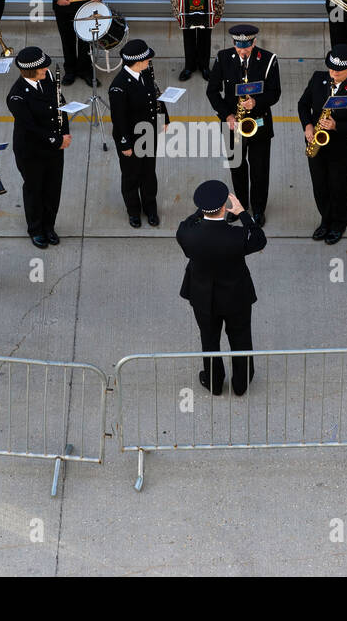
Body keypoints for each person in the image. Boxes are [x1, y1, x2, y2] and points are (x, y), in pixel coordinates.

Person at [176, 180, 267, 397]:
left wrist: (202, 211)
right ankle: (241, 383)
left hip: (203, 296)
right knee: (241, 338)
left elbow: (188, 222)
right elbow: (259, 240)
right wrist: (243, 214)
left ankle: (214, 382)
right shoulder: (236, 236)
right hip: (236, 297)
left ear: (201, 208)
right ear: (225, 207)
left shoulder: (187, 234)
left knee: (209, 339)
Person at [297, 43, 347, 244]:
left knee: (340, 187)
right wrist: (308, 127)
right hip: (317, 142)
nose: (333, 73)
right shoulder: (318, 78)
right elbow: (303, 104)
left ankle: (339, 224)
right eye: (331, 68)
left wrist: (336, 125)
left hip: (343, 148)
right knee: (320, 186)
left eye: (338, 71)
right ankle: (325, 220)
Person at [205, 23, 279, 226]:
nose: (243, 51)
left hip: (259, 124)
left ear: (254, 42)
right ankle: (241, 207)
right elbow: (212, 91)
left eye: (246, 47)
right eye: (239, 47)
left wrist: (256, 102)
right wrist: (227, 116)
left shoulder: (268, 59)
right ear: (233, 43)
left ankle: (259, 209)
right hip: (233, 125)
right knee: (237, 168)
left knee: (260, 170)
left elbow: (275, 93)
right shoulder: (222, 58)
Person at [6, 46, 70, 249]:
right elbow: (30, 128)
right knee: (35, 190)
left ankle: (49, 226)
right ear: (32, 71)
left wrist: (64, 133)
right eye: (43, 68)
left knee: (53, 189)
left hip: (53, 147)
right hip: (31, 151)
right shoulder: (16, 96)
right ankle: (35, 229)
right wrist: (56, 140)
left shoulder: (48, 77)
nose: (46, 69)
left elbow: (60, 104)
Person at [109, 39, 169, 227]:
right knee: (131, 176)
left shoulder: (145, 73)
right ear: (137, 62)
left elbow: (155, 96)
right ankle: (134, 211)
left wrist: (164, 117)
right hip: (131, 138)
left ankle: (150, 208)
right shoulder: (118, 86)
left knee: (148, 174)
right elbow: (118, 119)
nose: (149, 61)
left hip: (148, 134)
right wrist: (125, 144)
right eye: (146, 59)